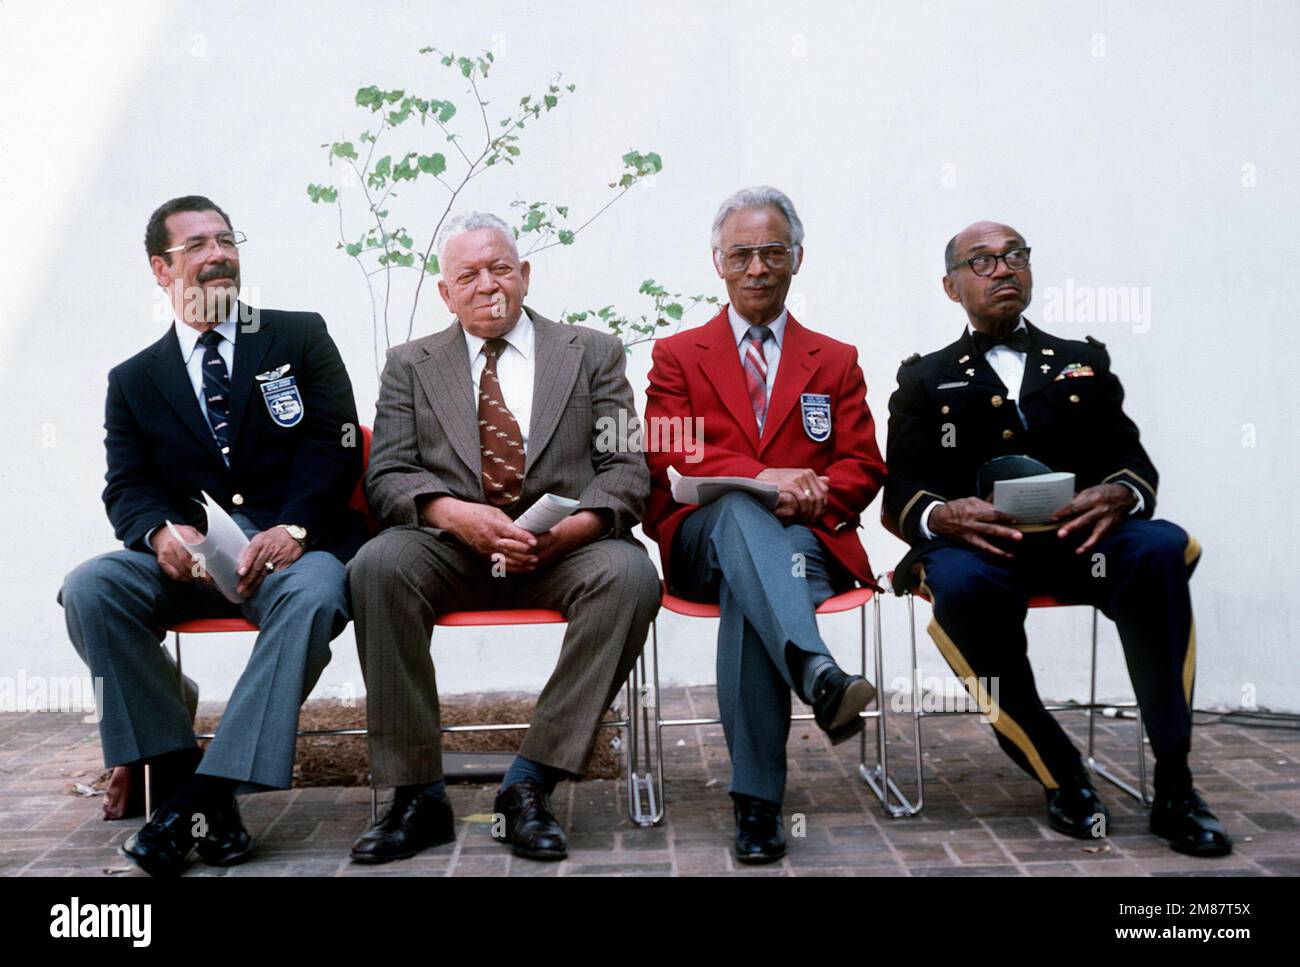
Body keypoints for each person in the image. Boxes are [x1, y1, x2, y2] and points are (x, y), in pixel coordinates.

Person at [883, 220, 1231, 856]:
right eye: (982, 261)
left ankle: (1176, 784)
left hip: (1081, 545)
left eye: (1015, 255)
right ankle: (1059, 770)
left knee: (1157, 548)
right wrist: (945, 515)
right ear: (950, 285)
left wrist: (1120, 493)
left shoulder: (1081, 362)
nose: (1004, 269)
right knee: (958, 585)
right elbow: (902, 490)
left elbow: (1132, 463)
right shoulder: (925, 380)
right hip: (985, 553)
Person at [59, 195, 367, 876]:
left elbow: (335, 443)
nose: (218, 254)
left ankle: (208, 790)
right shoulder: (134, 380)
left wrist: (294, 525)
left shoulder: (297, 335)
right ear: (160, 269)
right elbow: (127, 486)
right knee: (90, 587)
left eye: (226, 239)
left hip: (296, 548)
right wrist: (158, 532)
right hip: (193, 564)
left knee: (316, 597)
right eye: (197, 244)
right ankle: (173, 768)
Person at [347, 211, 660, 864]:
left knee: (631, 577)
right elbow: (388, 474)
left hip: (562, 549)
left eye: (500, 268)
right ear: (445, 291)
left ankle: (531, 781)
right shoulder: (409, 364)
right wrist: (452, 514)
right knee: (377, 566)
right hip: (450, 547)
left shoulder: (592, 352)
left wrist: (574, 528)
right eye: (468, 273)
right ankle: (416, 795)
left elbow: (629, 467)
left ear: (525, 273)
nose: (488, 283)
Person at [642, 187, 887, 863]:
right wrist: (761, 480)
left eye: (772, 251)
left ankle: (757, 803)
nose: (757, 267)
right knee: (735, 513)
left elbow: (864, 465)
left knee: (753, 595)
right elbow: (667, 448)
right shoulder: (678, 355)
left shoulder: (834, 359)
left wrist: (808, 494)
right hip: (701, 536)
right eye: (741, 253)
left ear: (797, 259)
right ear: (717, 261)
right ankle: (817, 673)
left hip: (809, 539)